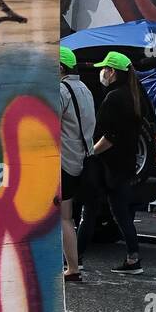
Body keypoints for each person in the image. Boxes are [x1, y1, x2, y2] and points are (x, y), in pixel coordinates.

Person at [76, 49, 143, 273]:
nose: (102, 73)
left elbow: (109, 137)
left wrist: (90, 153)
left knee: (88, 213)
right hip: (123, 168)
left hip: (104, 168)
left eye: (104, 68)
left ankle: (75, 260)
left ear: (112, 72)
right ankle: (134, 259)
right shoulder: (132, 96)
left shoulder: (113, 98)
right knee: (122, 215)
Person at [59, 46, 96, 282]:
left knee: (61, 217)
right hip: (81, 161)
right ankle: (72, 267)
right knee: (68, 217)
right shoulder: (85, 89)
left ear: (60, 67)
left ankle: (71, 267)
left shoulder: (61, 90)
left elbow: (45, 123)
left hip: (62, 162)